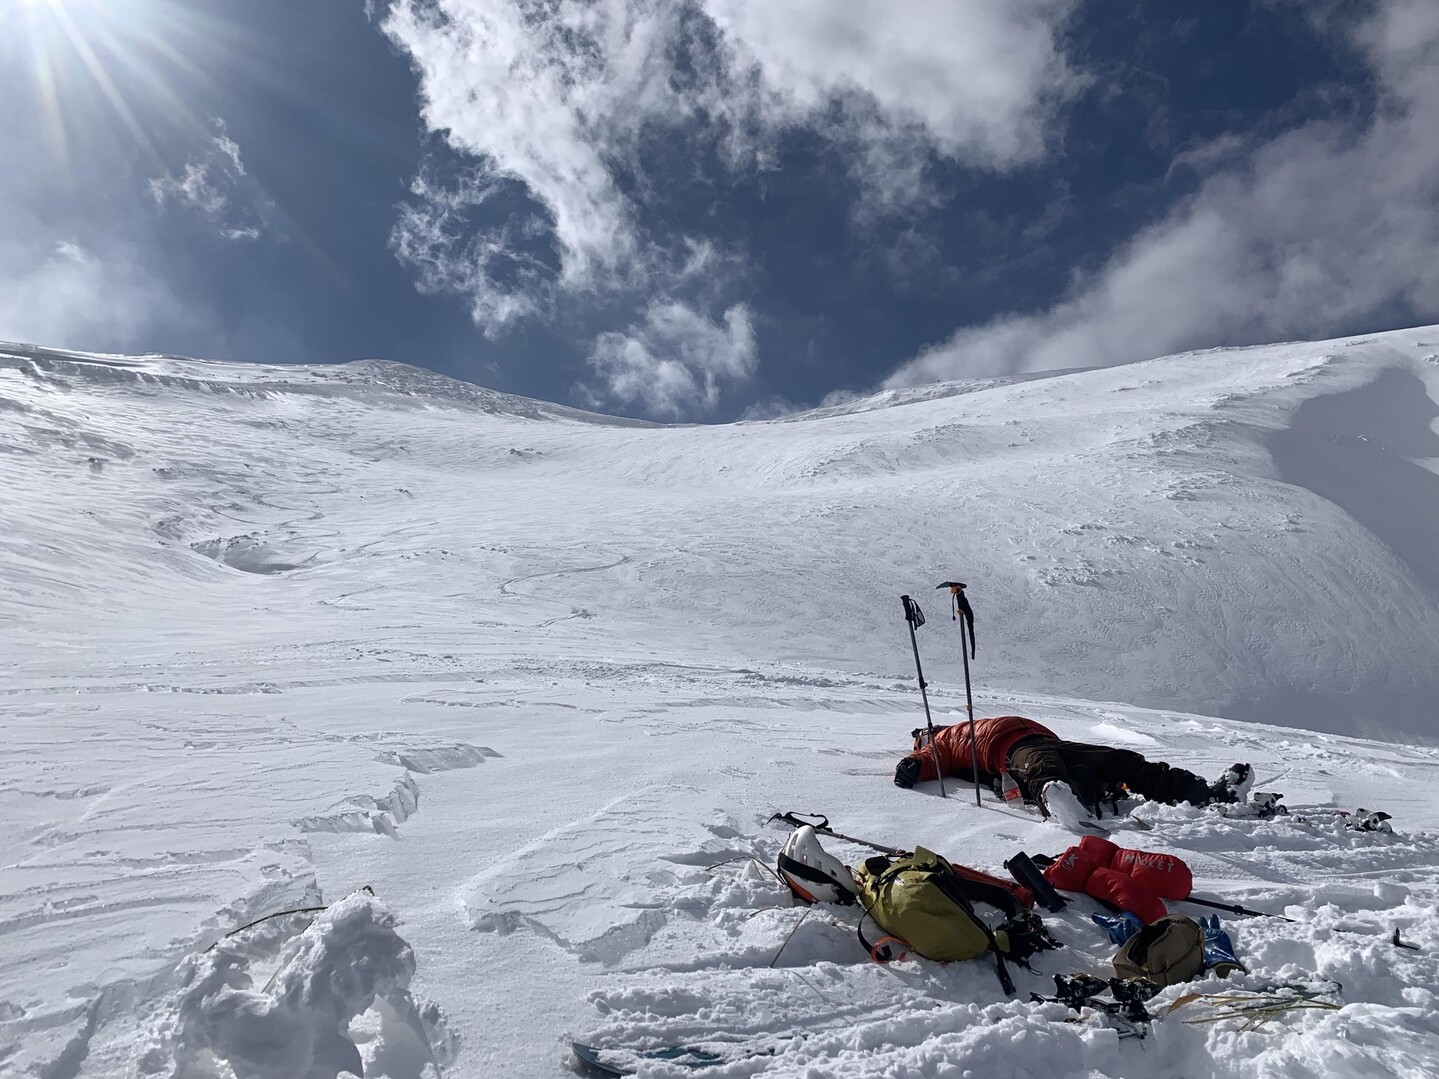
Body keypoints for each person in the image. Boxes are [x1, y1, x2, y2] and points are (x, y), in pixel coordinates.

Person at [893, 715, 1251, 829]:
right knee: (1040, 767)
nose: (928, 732)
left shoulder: (959, 726)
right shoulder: (942, 742)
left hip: (1050, 740)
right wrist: (913, 764)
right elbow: (930, 758)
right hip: (1013, 750)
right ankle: (1056, 798)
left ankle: (1204, 793)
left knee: (1120, 759)